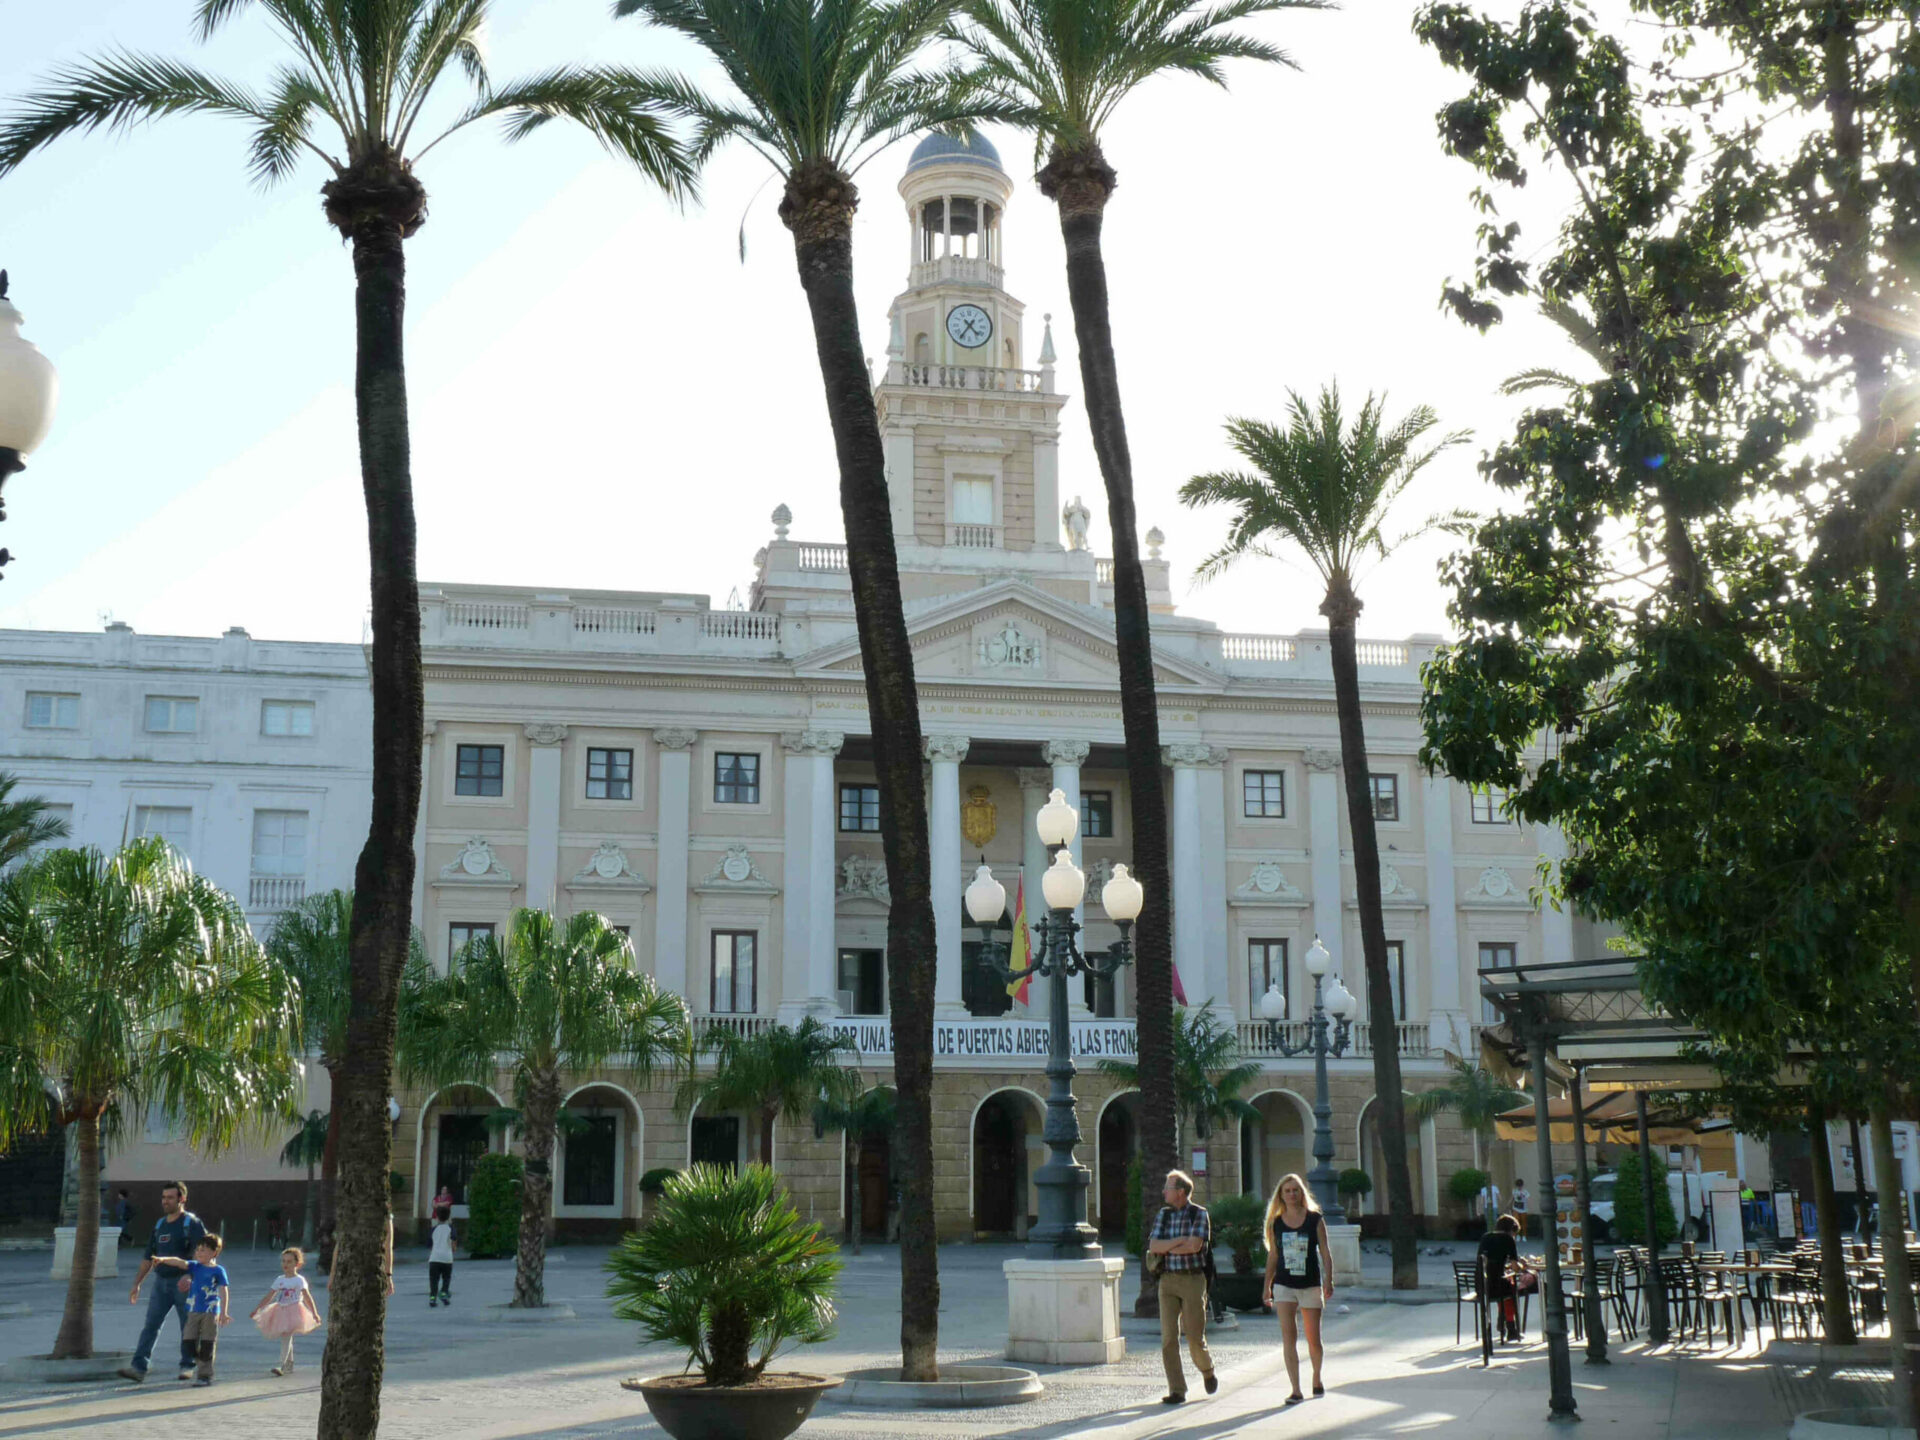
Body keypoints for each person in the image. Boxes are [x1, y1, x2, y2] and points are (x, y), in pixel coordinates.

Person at [118, 1180, 207, 1382]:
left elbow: (204, 1254)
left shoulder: (191, 1224)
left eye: (170, 1197)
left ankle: (187, 1366)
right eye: (163, 1197)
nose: (165, 1201)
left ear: (182, 1199)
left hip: (184, 1285)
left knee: (188, 1326)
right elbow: (148, 1257)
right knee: (151, 1325)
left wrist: (191, 1275)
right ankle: (139, 1368)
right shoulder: (160, 1225)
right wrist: (137, 1283)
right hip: (161, 1284)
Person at [1261, 1172, 1335, 1404]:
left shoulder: (1314, 1219)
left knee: (1314, 1338)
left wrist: (1328, 1279)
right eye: (1287, 1191)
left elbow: (1324, 1251)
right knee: (1288, 1337)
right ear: (1281, 1196)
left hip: (1310, 1284)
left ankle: (1316, 1377)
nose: (1292, 1194)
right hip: (1284, 1285)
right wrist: (1267, 1286)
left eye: (1295, 1190)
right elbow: (1273, 1255)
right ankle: (1295, 1389)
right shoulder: (1277, 1223)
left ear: (1301, 1193)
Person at [1147, 1169, 1217, 1405]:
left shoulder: (1199, 1214)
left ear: (1180, 1192)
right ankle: (1177, 1389)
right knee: (1168, 1338)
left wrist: (1170, 1246)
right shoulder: (1163, 1215)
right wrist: (1178, 1242)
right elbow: (1155, 1245)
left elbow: (1194, 1246)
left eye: (1167, 1187)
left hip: (1193, 1280)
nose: (1163, 1191)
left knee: (1195, 1336)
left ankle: (1207, 1370)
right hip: (1167, 1280)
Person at [152, 1233, 230, 1385]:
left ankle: (204, 1376)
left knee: (207, 1344)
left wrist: (224, 1312)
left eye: (204, 1250)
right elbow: (179, 1262)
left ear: (214, 1252)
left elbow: (223, 1291)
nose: (199, 1253)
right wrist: (163, 1260)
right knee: (188, 1341)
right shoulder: (195, 1267)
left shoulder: (218, 1270)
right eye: (198, 1250)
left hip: (211, 1312)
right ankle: (198, 1359)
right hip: (193, 1310)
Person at [251, 1246, 323, 1375]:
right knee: (286, 1337)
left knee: (286, 1336)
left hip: (294, 1310)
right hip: (281, 1310)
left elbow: (307, 1297)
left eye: (289, 1262)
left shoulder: (299, 1280)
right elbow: (270, 1296)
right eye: (283, 1261)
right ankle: (289, 1365)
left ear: (297, 1264)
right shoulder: (280, 1280)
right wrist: (258, 1308)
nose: (286, 1264)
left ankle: (283, 1365)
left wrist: (314, 1313)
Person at [1477, 1213, 1523, 1343]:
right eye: (1515, 1233)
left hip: (1481, 1285)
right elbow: (1515, 1267)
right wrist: (1521, 1264)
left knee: (1502, 1282)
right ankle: (1511, 1327)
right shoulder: (1508, 1239)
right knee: (1511, 1286)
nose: (1514, 1236)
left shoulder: (1485, 1237)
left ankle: (1502, 1319)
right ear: (1511, 1230)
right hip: (1497, 1286)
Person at [428, 1207, 456, 1308]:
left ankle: (432, 1297)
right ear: (448, 1217)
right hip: (447, 1258)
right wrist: (452, 1249)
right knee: (446, 1277)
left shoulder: (433, 1229)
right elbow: (453, 1243)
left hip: (434, 1258)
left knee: (434, 1279)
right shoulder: (451, 1228)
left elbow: (430, 1244)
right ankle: (444, 1292)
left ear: (437, 1217)